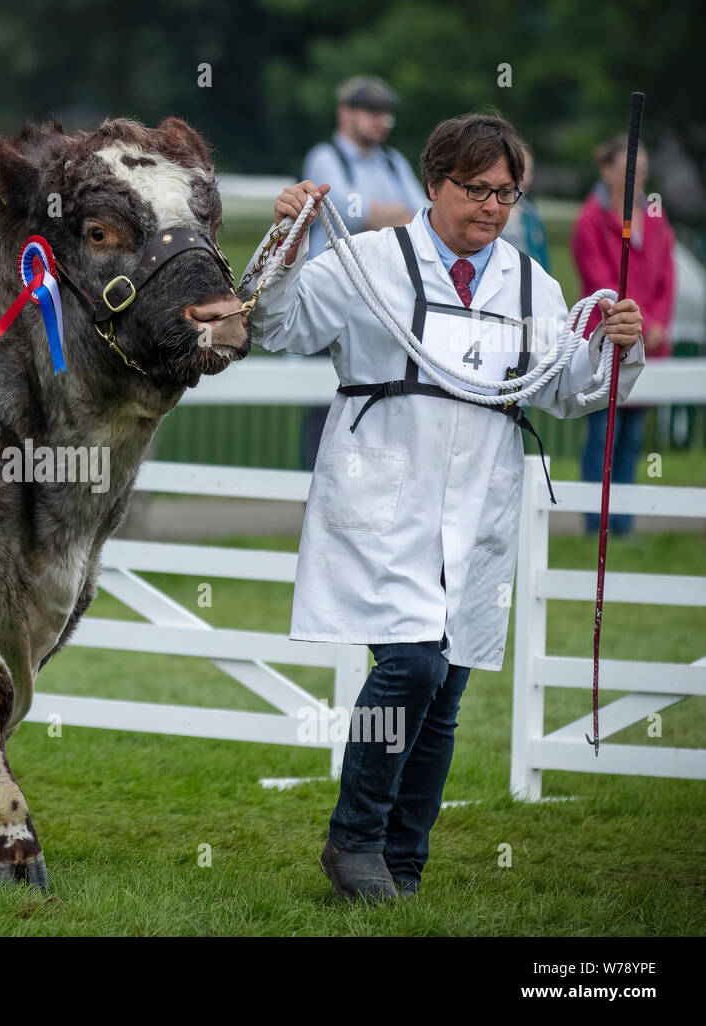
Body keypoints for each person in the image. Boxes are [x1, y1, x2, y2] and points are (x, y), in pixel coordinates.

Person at [241, 113, 645, 902]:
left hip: (479, 503)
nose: (492, 206)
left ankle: (403, 862)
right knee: (412, 664)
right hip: (381, 495)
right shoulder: (370, 259)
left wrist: (614, 346)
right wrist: (287, 240)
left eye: (506, 192)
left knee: (447, 684)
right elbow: (276, 323)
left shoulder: (532, 284)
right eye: (475, 188)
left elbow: (570, 392)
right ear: (434, 182)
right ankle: (354, 841)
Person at [298, 76, 429, 471]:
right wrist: (392, 215)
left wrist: (382, 214)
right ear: (345, 113)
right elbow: (350, 211)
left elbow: (424, 217)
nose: (382, 121)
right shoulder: (325, 157)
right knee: (323, 404)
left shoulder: (393, 161)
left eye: (386, 113)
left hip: (384, 298)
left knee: (382, 398)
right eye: (372, 111)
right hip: (333, 297)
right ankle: (315, 486)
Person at [573, 135, 675, 535]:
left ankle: (624, 523)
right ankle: (595, 522)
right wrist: (639, 321)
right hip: (610, 339)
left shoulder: (655, 216)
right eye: (631, 169)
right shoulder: (589, 219)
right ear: (606, 170)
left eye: (644, 170)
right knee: (604, 437)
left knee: (632, 438)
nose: (639, 177)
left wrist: (658, 322)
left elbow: (667, 275)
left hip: (651, 343)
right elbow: (599, 280)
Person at [499, 142, 551, 271]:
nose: (525, 176)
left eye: (529, 170)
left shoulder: (530, 211)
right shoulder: (493, 208)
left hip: (527, 276)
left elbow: (541, 254)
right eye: (521, 168)